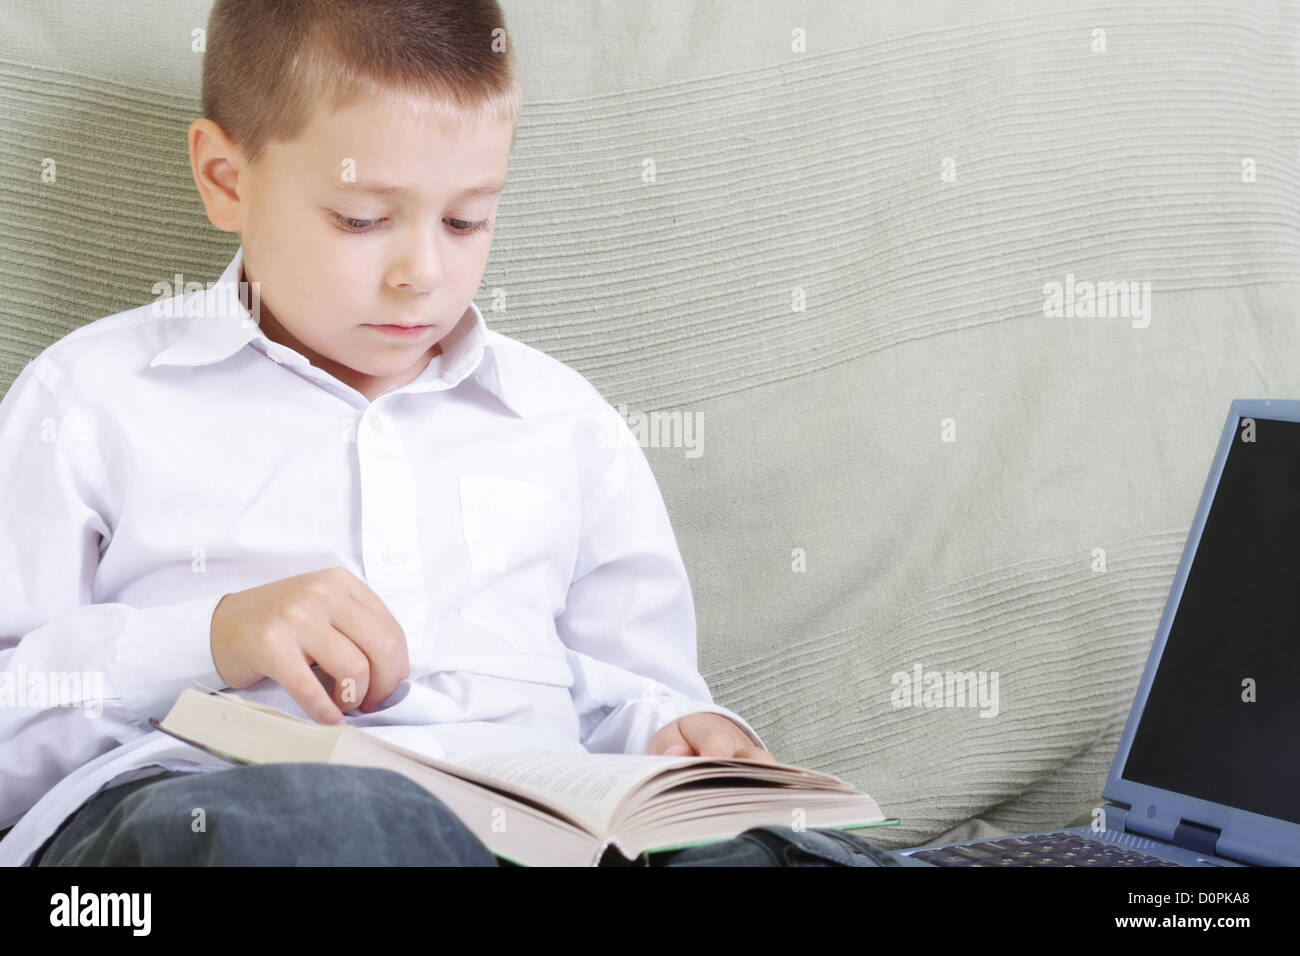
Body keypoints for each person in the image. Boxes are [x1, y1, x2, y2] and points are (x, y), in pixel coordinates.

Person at [0, 0, 890, 868]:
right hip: (232, 804)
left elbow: (626, 691)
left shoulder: (562, 420)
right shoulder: (91, 398)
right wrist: (212, 635)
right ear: (227, 180)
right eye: (361, 219)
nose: (421, 275)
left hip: (538, 823)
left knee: (774, 854)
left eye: (467, 220)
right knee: (318, 826)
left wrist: (682, 735)